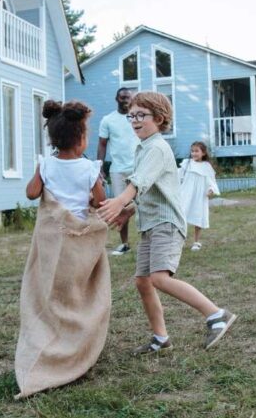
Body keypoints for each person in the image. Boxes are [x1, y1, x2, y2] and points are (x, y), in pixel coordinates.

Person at [98, 91, 236, 354]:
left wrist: (119, 201)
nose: (135, 120)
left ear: (159, 118)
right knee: (142, 281)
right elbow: (147, 189)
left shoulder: (158, 148)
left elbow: (138, 182)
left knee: (159, 278)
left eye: (142, 115)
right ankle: (161, 339)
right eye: (132, 116)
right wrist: (128, 210)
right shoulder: (143, 147)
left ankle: (216, 314)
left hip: (166, 224)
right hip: (150, 225)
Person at [16, 100, 110, 398]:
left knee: (50, 292)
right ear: (81, 139)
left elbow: (31, 194)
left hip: (51, 241)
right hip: (78, 243)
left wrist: (42, 171)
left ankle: (48, 341)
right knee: (76, 295)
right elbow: (98, 201)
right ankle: (73, 346)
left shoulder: (46, 164)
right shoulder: (88, 168)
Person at [97, 87, 139, 255]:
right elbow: (102, 144)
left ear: (132, 99)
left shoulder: (138, 117)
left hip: (137, 168)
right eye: (121, 97)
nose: (124, 100)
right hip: (118, 170)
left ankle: (148, 242)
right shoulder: (108, 120)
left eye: (127, 97)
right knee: (120, 206)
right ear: (116, 99)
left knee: (143, 203)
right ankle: (125, 244)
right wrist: (99, 167)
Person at [179, 141, 220, 251]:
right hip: (186, 193)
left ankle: (196, 242)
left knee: (198, 215)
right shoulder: (187, 163)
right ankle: (181, 240)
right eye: (192, 151)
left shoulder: (206, 166)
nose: (194, 153)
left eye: (197, 151)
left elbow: (211, 181)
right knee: (182, 215)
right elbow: (179, 177)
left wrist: (211, 190)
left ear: (203, 153)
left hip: (199, 195)